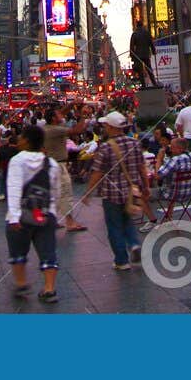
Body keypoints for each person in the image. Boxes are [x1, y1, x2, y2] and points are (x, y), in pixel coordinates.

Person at [83, 111, 150, 270]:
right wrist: (146, 187)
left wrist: (88, 192)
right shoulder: (134, 143)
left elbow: (97, 172)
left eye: (105, 125)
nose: (104, 127)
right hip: (132, 191)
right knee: (128, 220)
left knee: (114, 226)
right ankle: (134, 244)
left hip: (111, 193)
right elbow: (142, 167)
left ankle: (121, 260)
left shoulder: (106, 147)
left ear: (111, 127)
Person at [5, 123, 60, 303]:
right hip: (44, 214)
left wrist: (13, 217)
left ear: (27, 141)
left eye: (21, 136)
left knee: (18, 252)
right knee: (48, 251)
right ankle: (49, 288)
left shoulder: (18, 160)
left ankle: (21, 283)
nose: (18, 139)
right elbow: (55, 190)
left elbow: (13, 188)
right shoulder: (51, 163)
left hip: (22, 214)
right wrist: (53, 213)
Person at [40, 106, 85, 231]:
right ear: (54, 118)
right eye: (58, 115)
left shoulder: (47, 128)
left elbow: (59, 114)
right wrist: (83, 116)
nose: (62, 116)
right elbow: (77, 130)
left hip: (50, 164)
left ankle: (50, 220)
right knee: (65, 192)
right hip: (59, 165)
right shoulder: (55, 130)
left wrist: (72, 104)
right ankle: (70, 222)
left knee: (52, 194)